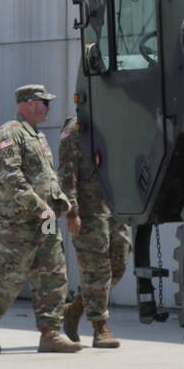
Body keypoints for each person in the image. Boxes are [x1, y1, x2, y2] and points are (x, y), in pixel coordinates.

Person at [0, 84, 80, 354]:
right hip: (18, 224)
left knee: (53, 275)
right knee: (9, 280)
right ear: (28, 103)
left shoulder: (37, 135)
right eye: (44, 102)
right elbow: (10, 176)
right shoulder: (9, 133)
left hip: (46, 221)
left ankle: (51, 333)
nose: (48, 108)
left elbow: (47, 178)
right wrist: (38, 207)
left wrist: (62, 203)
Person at [58, 114, 129, 348]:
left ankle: (76, 307)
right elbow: (67, 173)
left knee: (118, 264)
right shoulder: (76, 128)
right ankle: (100, 327)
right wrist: (71, 212)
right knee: (95, 269)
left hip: (115, 207)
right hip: (89, 210)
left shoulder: (117, 121)